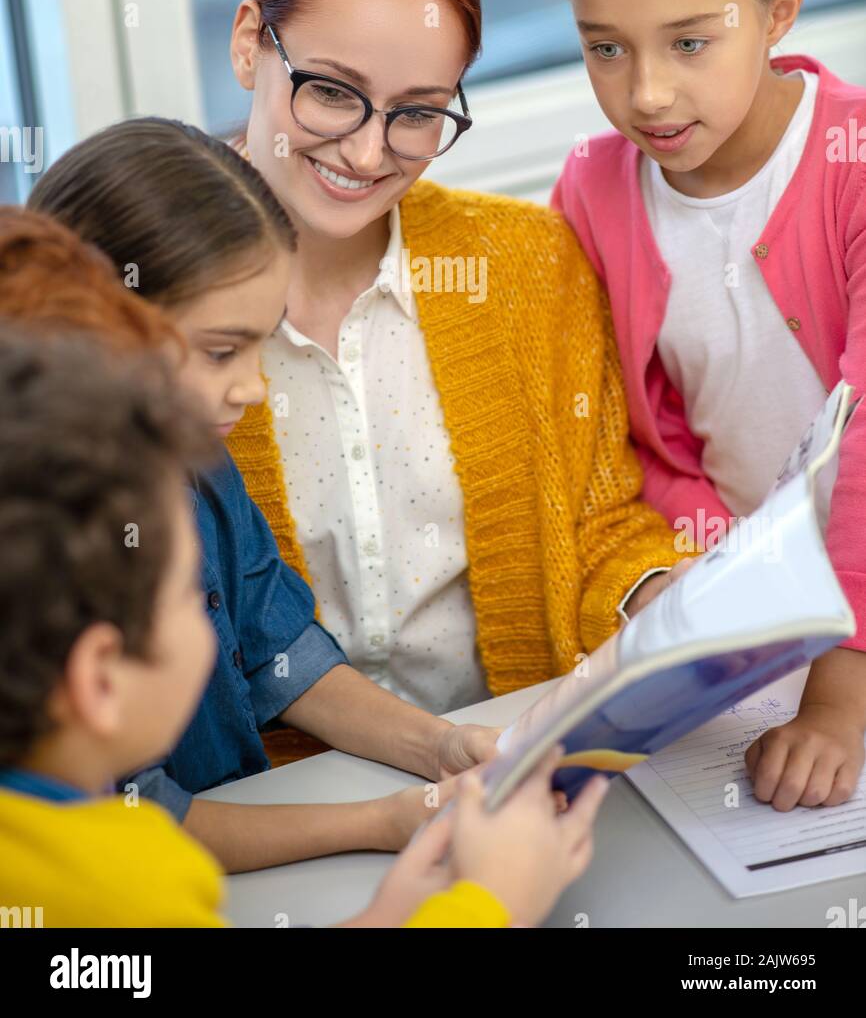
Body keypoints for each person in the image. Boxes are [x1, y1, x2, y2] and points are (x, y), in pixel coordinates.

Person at [214, 0, 690, 764]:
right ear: (250, 43)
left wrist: (659, 600)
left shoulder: (527, 265)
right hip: (263, 799)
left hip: (506, 764)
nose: (367, 152)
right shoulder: (142, 285)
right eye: (331, 93)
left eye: (418, 113)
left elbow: (597, 530)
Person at [0, 320, 609, 927]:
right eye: (190, 597)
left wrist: (388, 911)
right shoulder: (134, 885)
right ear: (100, 678)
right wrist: (493, 900)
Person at [27, 123, 502, 875]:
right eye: (221, 351)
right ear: (98, 328)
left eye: (262, 341)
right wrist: (381, 821)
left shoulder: (199, 460)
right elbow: (141, 815)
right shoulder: (48, 539)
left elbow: (277, 652)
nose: (252, 386)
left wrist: (438, 745)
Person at [552, 0, 866, 811]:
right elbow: (629, 438)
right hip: (759, 627)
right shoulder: (592, 193)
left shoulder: (853, 162)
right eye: (605, 48)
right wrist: (722, 592)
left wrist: (836, 696)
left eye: (690, 42)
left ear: (777, 12)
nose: (645, 93)